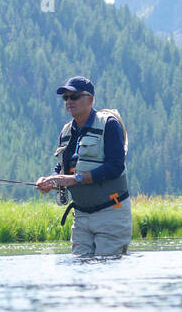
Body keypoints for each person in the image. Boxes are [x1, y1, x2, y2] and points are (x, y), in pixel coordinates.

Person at [35, 76, 132, 258]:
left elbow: (115, 166)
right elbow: (62, 169)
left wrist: (76, 179)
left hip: (112, 211)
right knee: (78, 268)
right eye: (66, 98)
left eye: (75, 97)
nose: (69, 102)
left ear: (90, 99)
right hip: (81, 216)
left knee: (107, 266)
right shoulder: (66, 131)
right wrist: (51, 182)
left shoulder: (109, 124)